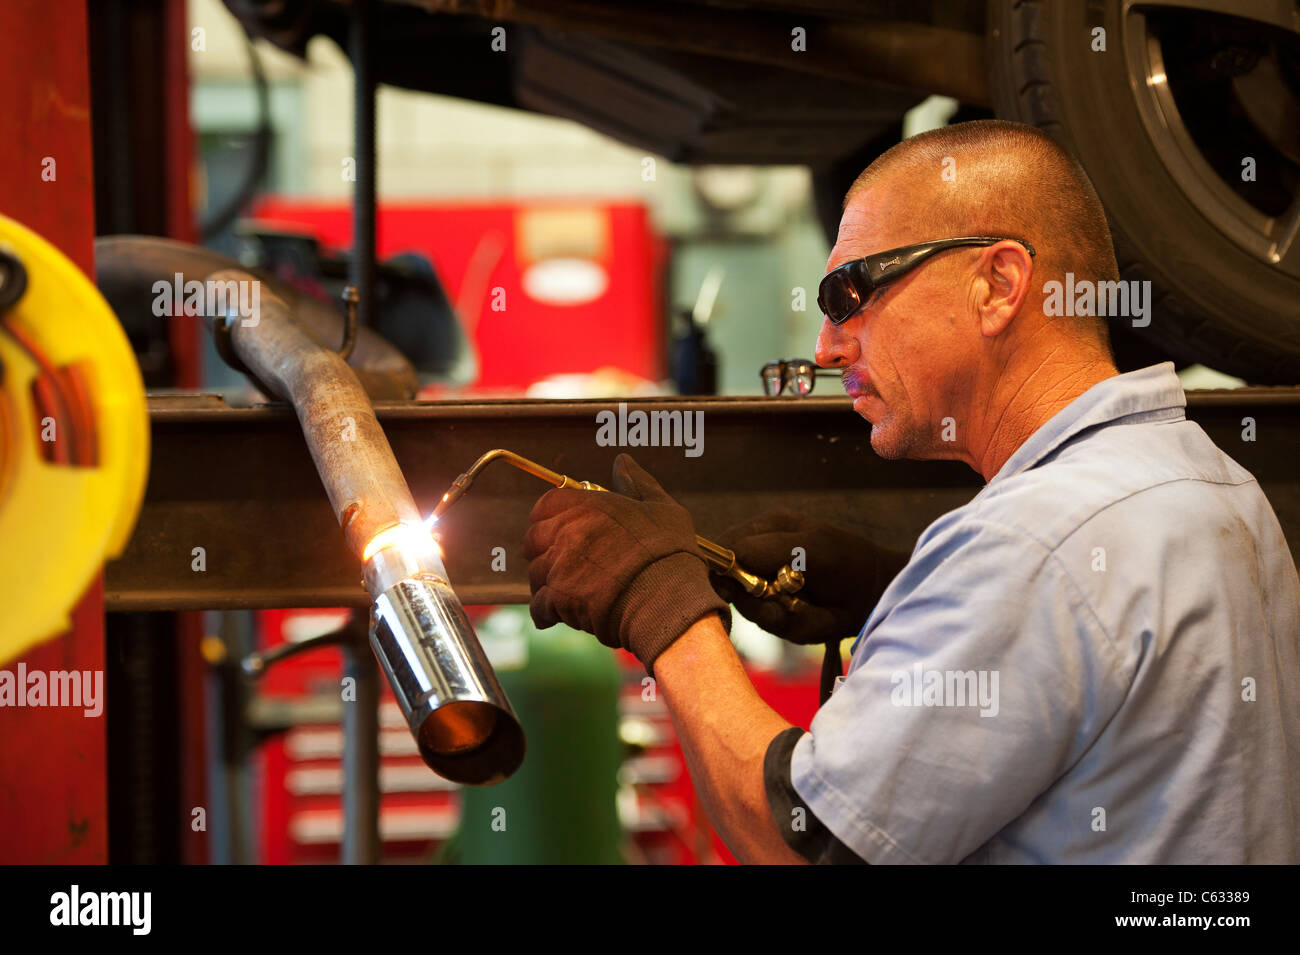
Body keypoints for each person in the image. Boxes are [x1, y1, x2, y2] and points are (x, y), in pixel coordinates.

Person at [522, 120, 1300, 864]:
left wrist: (661, 607)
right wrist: (900, 593)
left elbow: (805, 840)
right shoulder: (1214, 483)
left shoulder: (1033, 544)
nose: (827, 345)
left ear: (998, 284)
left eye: (852, 291)